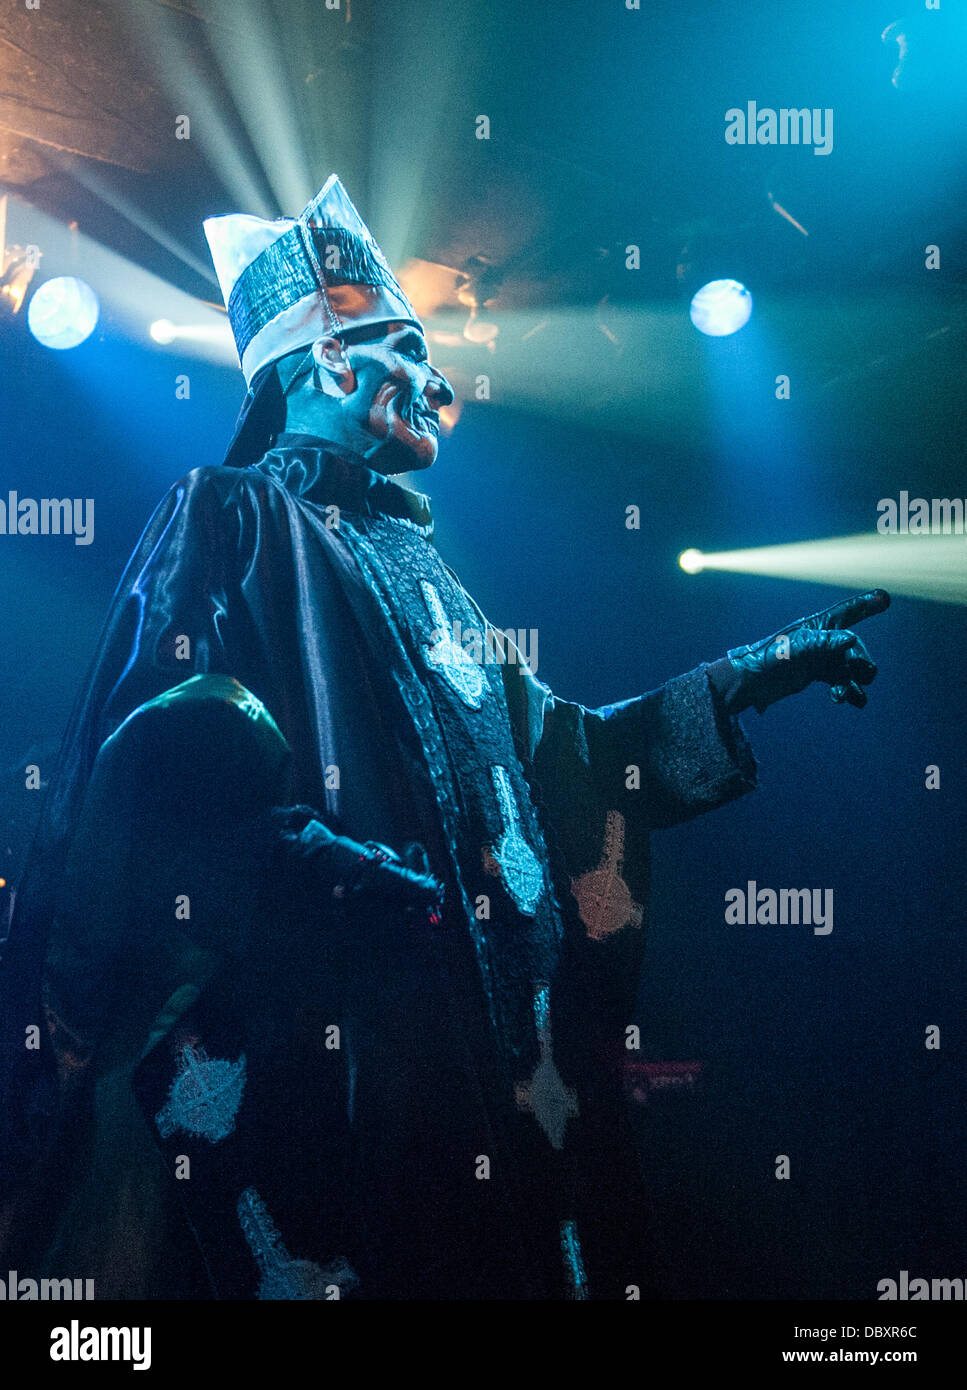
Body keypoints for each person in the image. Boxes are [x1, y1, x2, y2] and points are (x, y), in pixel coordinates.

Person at [0, 175, 889, 1300]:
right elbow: (158, 772)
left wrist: (742, 681)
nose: (440, 384)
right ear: (328, 361)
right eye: (410, 349)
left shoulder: (431, 576)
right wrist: (341, 890)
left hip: (497, 1080)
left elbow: (565, 765)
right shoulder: (229, 517)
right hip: (333, 1061)